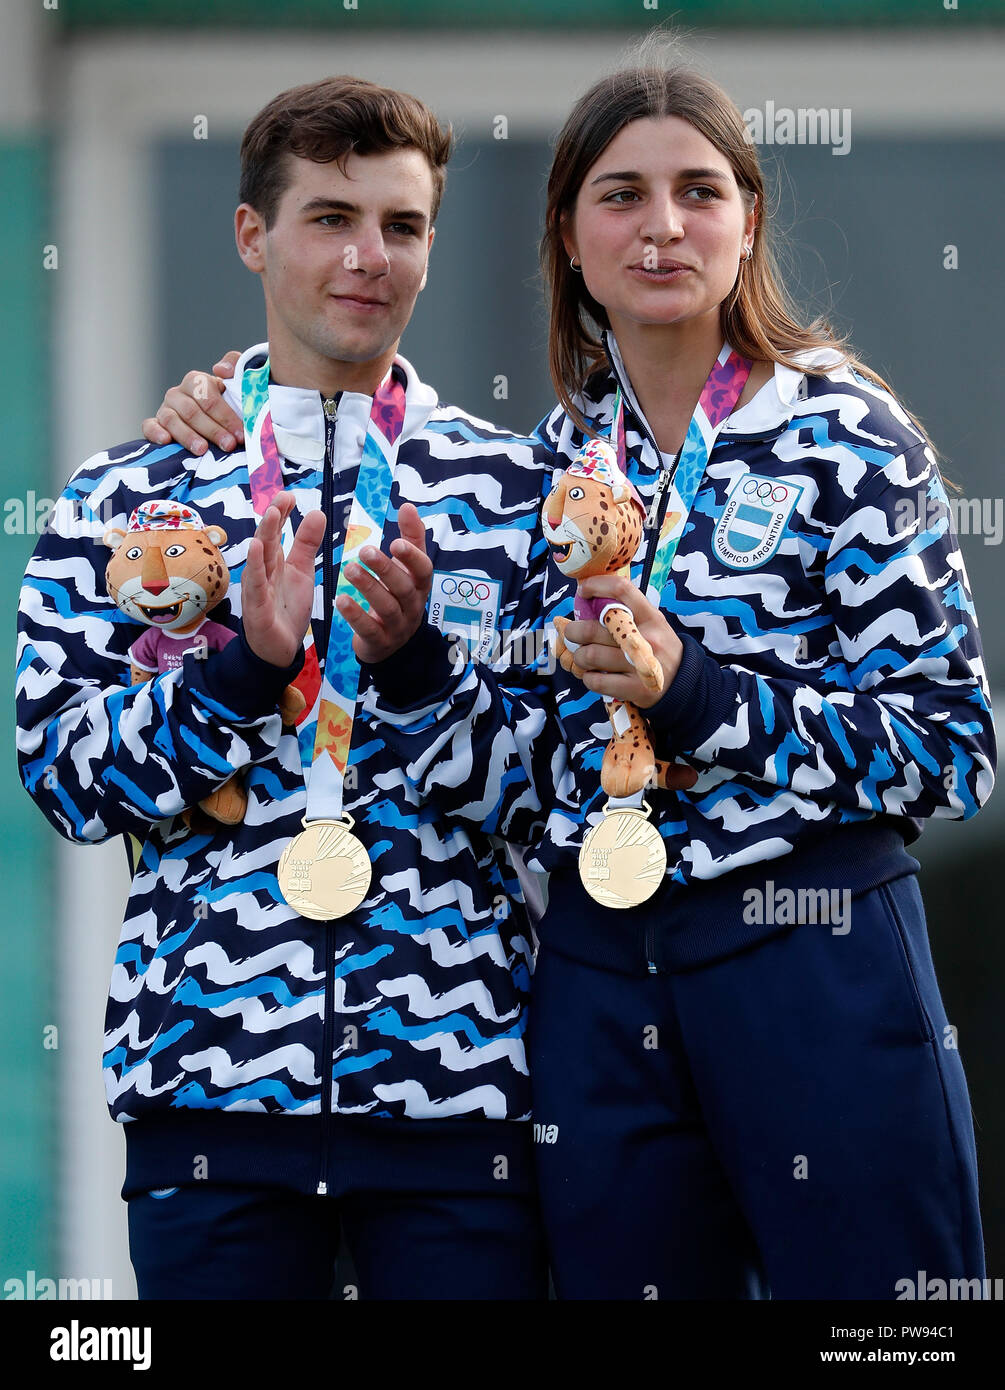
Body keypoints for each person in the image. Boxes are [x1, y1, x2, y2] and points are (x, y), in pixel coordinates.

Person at [147, 65, 996, 1300]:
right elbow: (513, 780)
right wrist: (420, 659)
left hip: (809, 947)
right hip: (599, 976)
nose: (662, 226)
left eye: (699, 192)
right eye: (622, 195)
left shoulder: (848, 434)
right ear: (571, 237)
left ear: (748, 221)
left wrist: (701, 694)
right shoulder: (539, 471)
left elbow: (952, 748)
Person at [16, 75, 563, 1301]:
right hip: (207, 1089)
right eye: (330, 218)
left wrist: (423, 672)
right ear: (253, 235)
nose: (370, 257)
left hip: (460, 1095)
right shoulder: (128, 494)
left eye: (404, 225)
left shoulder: (515, 498)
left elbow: (565, 799)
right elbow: (61, 775)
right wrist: (239, 675)